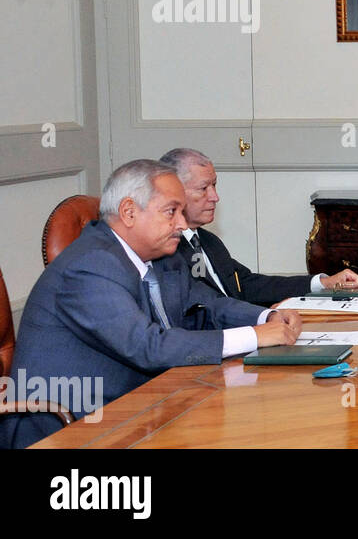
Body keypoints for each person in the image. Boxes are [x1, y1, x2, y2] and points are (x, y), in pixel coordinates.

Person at [0, 160, 302, 449]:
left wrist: (268, 317)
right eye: (172, 212)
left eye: (182, 212)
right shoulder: (89, 265)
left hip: (143, 408)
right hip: (72, 426)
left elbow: (208, 304)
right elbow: (146, 346)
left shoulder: (162, 257)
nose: (183, 224)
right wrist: (253, 336)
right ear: (129, 212)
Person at [160, 148, 358, 305]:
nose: (215, 197)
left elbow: (249, 285)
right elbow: (205, 309)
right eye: (204, 188)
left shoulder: (208, 241)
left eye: (215, 185)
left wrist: (323, 283)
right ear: (174, 192)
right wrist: (261, 318)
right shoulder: (166, 252)